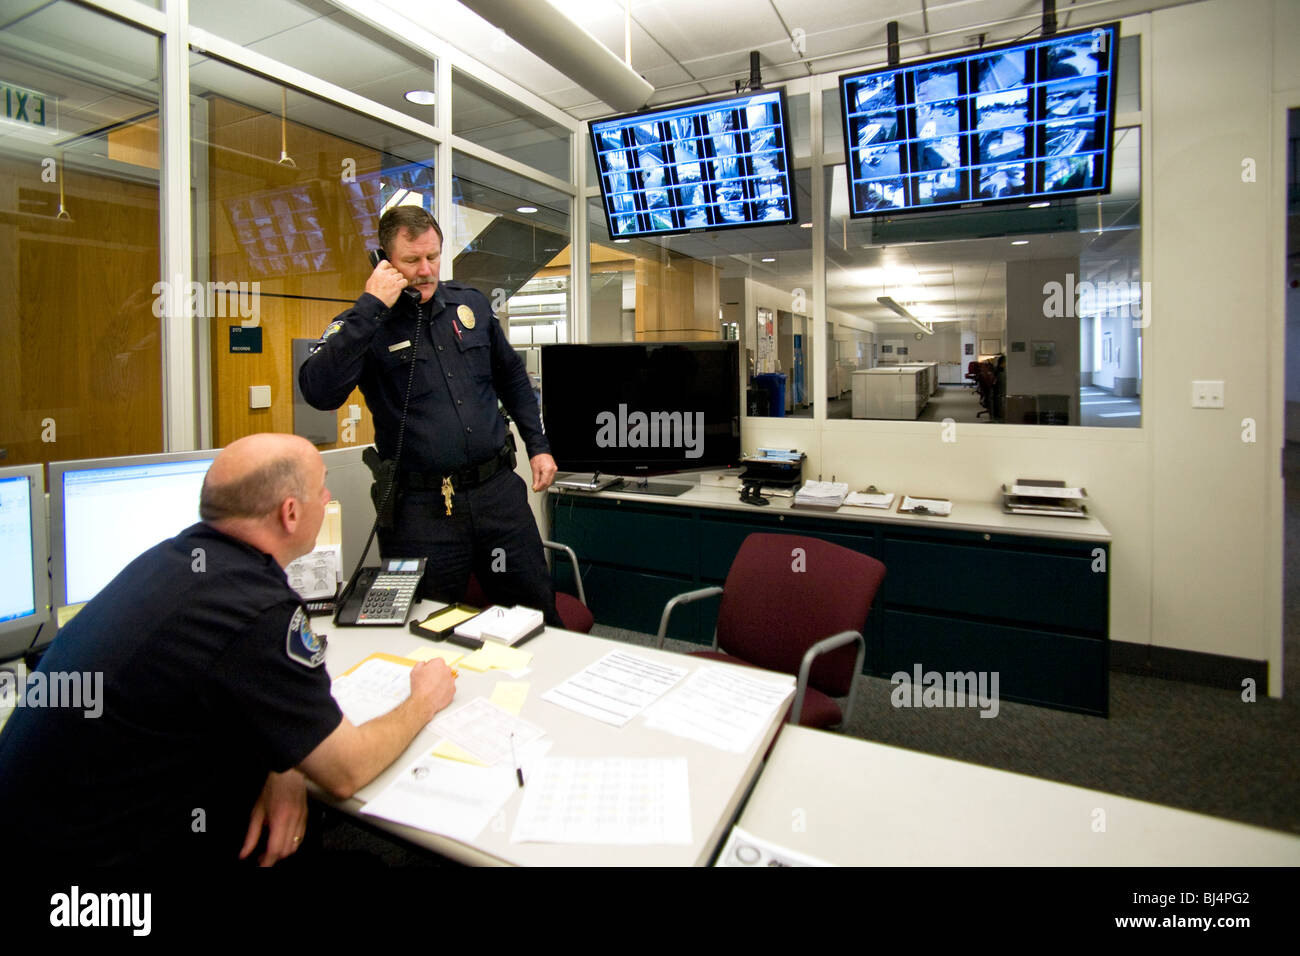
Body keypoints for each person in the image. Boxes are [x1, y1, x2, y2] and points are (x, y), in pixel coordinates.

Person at [0, 433, 457, 866]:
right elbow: (346, 771)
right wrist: (423, 699)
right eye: (322, 490)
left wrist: (289, 760)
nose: (328, 500)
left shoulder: (174, 561)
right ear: (290, 513)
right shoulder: (254, 611)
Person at [298, 205, 561, 625]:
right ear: (383, 261)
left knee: (537, 616)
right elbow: (319, 392)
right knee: (431, 627)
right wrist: (371, 307)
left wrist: (539, 446)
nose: (425, 270)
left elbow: (511, 377)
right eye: (411, 260)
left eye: (433, 257)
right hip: (422, 514)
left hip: (498, 498)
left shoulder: (469, 304)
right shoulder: (362, 324)